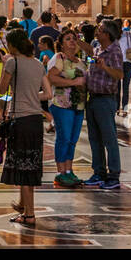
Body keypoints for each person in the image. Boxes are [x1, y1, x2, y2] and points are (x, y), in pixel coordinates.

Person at [0, 29, 51, 227]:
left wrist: (4, 67)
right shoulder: (37, 64)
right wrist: (30, 96)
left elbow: (2, 90)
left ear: (12, 45)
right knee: (29, 165)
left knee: (24, 168)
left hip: (20, 120)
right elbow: (48, 94)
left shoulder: (12, 62)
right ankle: (23, 205)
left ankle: (29, 214)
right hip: (35, 120)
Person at [84, 18, 123, 189]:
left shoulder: (114, 51)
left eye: (100, 29)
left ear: (107, 34)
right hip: (92, 97)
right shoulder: (98, 48)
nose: (97, 31)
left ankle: (113, 175)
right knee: (94, 138)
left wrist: (105, 67)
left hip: (105, 99)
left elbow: (119, 74)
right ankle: (99, 172)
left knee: (109, 138)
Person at [47, 28, 88, 187]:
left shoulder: (80, 62)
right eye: (68, 39)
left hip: (78, 104)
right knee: (63, 138)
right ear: (62, 45)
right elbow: (52, 78)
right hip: (61, 103)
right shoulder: (59, 58)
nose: (72, 41)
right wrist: (73, 83)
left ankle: (69, 171)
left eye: (74, 38)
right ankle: (60, 172)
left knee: (73, 139)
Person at [118, 20, 131, 114]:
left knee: (117, 86)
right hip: (129, 62)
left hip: (119, 63)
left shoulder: (118, 36)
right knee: (126, 87)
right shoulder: (130, 35)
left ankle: (116, 107)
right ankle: (125, 107)